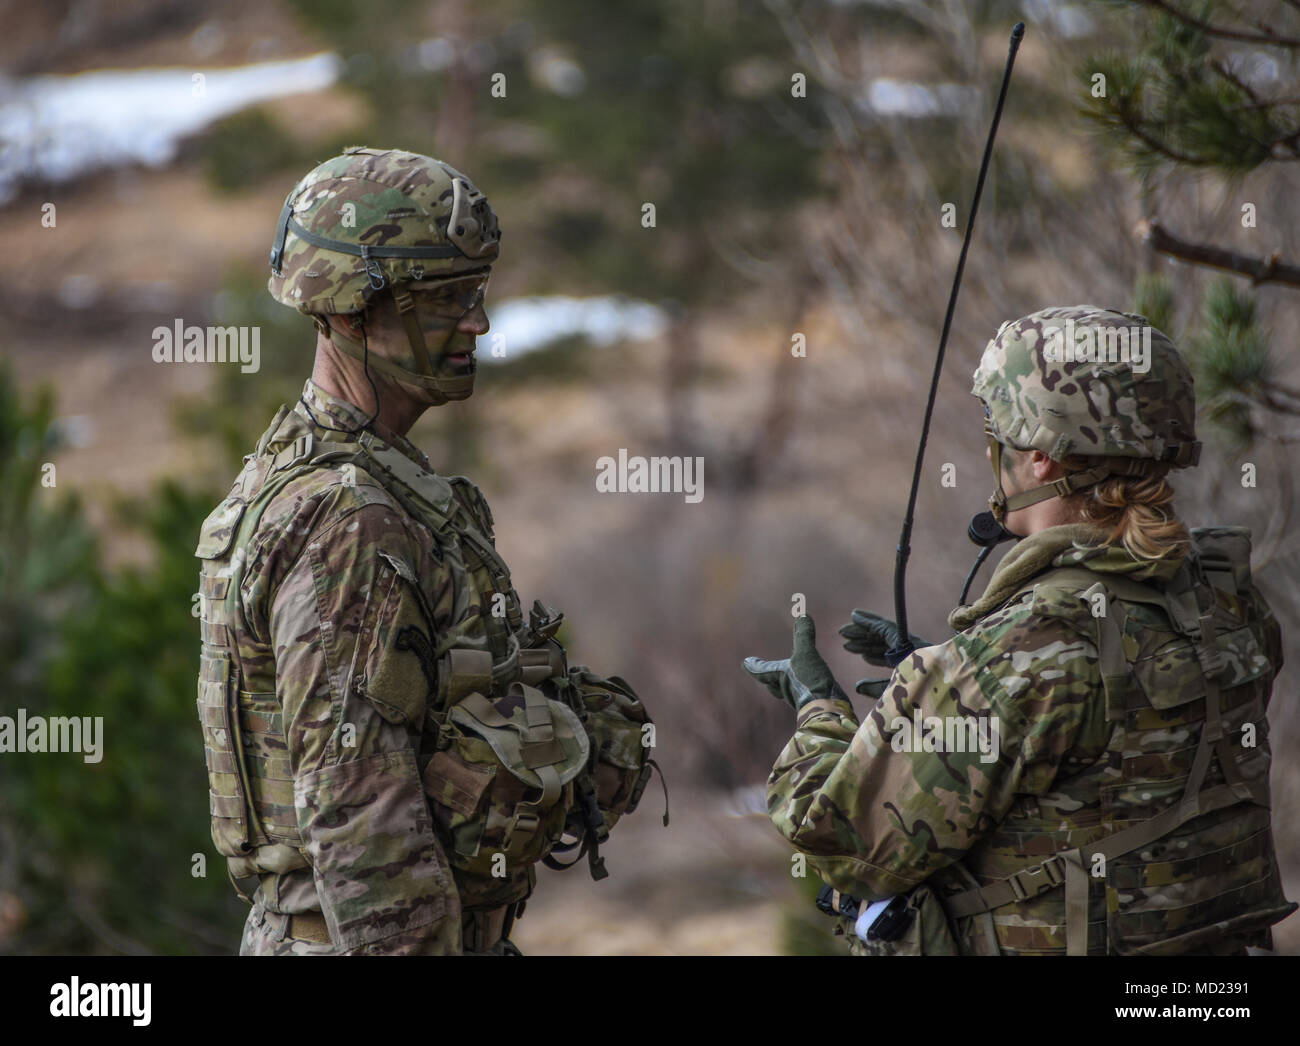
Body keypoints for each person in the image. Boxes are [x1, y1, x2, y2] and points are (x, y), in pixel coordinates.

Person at [194, 147, 656, 955]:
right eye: (446, 300)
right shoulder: (349, 519)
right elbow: (361, 817)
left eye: (475, 294)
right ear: (346, 314)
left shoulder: (359, 479)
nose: (477, 323)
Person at [745, 305, 1295, 955]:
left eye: (995, 430)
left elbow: (840, 844)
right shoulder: (1228, 603)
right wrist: (948, 683)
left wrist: (820, 711)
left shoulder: (1020, 653)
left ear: (1039, 460)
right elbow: (1121, 749)